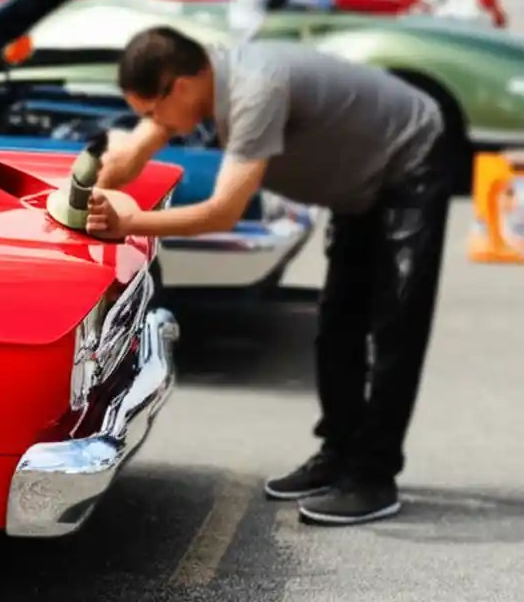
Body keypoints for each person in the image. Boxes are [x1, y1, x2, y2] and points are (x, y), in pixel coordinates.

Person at [87, 26, 451, 526]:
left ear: (182, 87)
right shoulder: (205, 75)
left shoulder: (255, 93)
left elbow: (221, 213)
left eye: (150, 110)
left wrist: (128, 224)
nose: (150, 122)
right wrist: (124, 160)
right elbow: (150, 134)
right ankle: (339, 451)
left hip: (411, 157)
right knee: (337, 324)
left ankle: (373, 476)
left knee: (395, 326)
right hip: (360, 187)